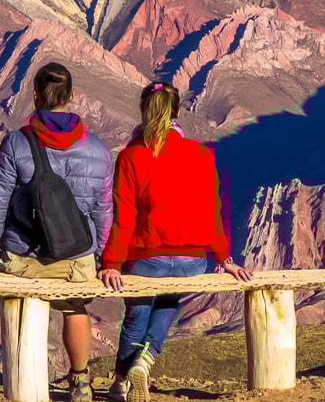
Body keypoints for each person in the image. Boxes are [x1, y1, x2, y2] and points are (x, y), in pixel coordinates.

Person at [0, 62, 113, 402]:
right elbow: (102, 212)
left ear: (36, 96)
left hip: (20, 261)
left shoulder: (16, 144)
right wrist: (100, 258)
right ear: (71, 97)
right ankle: (81, 382)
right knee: (75, 310)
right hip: (75, 263)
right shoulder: (98, 149)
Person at [99, 80, 252, 402]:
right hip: (193, 260)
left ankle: (120, 384)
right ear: (177, 111)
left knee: (137, 315)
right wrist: (224, 258)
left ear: (144, 110)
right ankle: (147, 359)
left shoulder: (130, 157)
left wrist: (111, 264)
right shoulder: (199, 153)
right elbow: (213, 209)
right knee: (168, 301)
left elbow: (124, 217)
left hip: (147, 257)